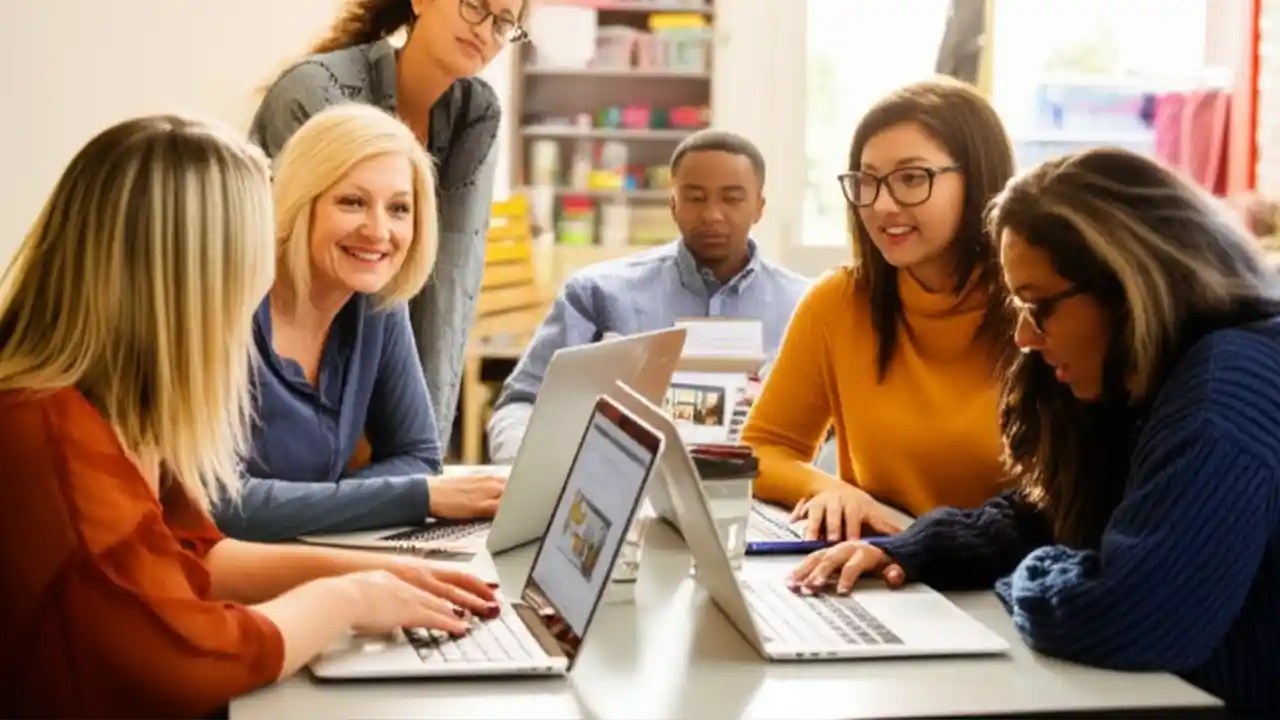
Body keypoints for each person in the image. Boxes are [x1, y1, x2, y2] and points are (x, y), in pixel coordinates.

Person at [0, 114, 498, 719]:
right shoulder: (49, 435)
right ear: (189, 278)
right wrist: (341, 601)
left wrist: (387, 574)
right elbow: (185, 659)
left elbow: (201, 556)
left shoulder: (114, 406)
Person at [790, 148, 1280, 716]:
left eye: (1039, 306)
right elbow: (1050, 512)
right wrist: (916, 550)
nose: (1023, 335)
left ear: (1129, 288)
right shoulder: (1152, 378)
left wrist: (1031, 570)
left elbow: (1128, 619)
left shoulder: (1224, 392)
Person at [742, 77, 1016, 542]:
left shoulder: (1037, 308)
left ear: (978, 179)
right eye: (867, 181)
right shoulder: (840, 301)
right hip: (879, 571)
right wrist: (828, 489)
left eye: (912, 178)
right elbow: (763, 448)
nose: (883, 205)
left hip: (999, 581)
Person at [215, 104, 504, 543]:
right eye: (352, 202)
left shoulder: (378, 304)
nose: (378, 231)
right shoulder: (224, 306)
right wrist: (416, 498)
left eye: (399, 209)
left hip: (312, 563)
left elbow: (417, 456)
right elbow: (224, 504)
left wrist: (303, 507)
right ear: (301, 201)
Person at [250, 0, 530, 452]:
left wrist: (422, 457)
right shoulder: (313, 91)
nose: (485, 31)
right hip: (277, 393)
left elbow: (449, 285)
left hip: (379, 371)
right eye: (475, 6)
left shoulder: (475, 113)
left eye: (504, 23)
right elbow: (303, 272)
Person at [485, 130, 811, 463]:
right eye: (696, 197)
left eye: (732, 198)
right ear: (673, 204)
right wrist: (521, 473)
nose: (713, 214)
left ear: (759, 206)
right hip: (623, 491)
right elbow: (524, 402)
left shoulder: (804, 305)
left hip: (767, 497)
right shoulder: (599, 293)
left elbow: (833, 429)